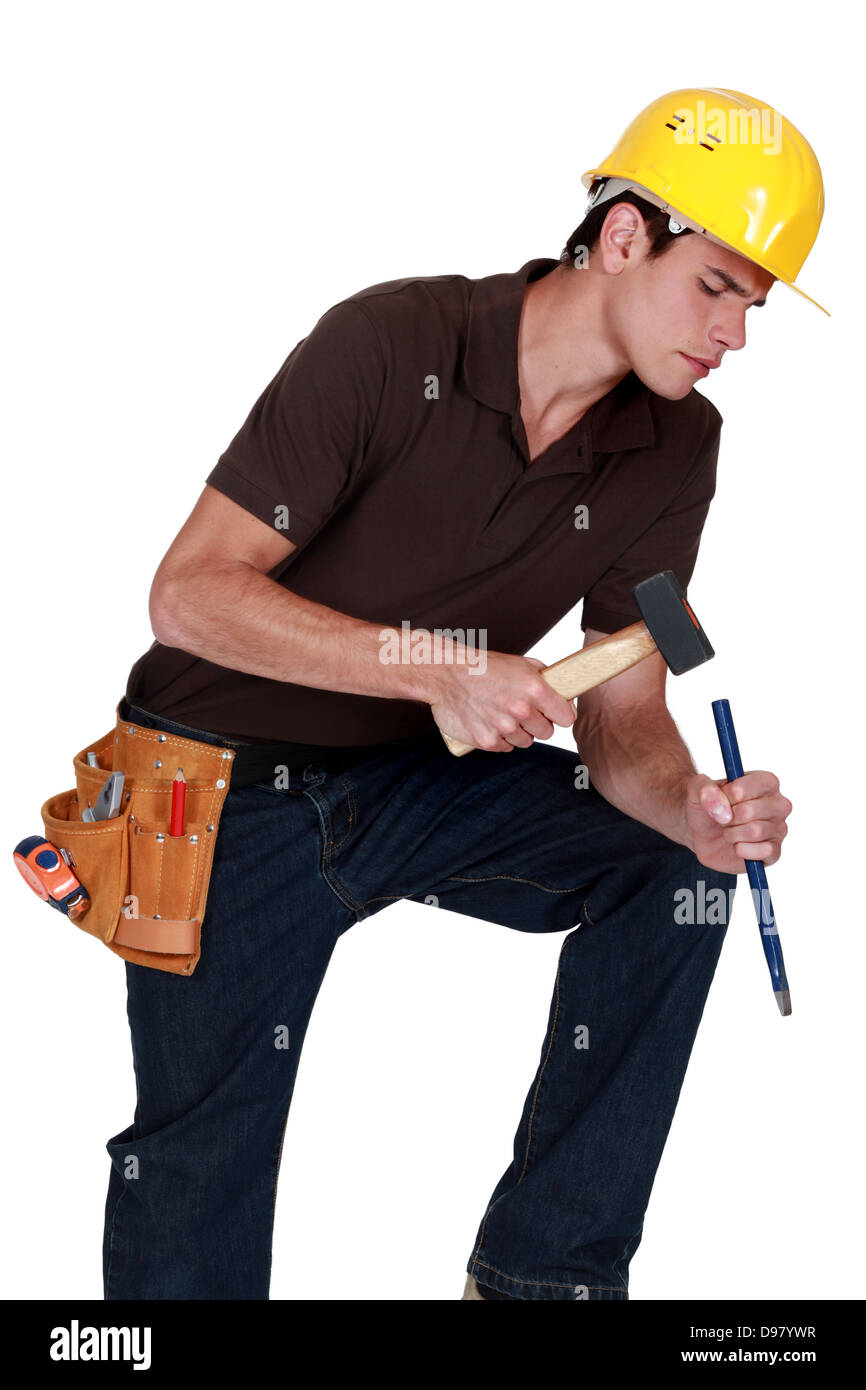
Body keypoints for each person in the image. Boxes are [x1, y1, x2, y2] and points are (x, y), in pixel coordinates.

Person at [103, 87, 824, 1300]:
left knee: (675, 871)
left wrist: (688, 807)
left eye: (754, 306)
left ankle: (541, 1281)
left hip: (410, 777)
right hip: (206, 781)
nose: (733, 336)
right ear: (621, 235)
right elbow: (188, 597)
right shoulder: (391, 344)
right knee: (196, 1157)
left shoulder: (677, 444)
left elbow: (622, 708)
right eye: (716, 285)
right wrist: (437, 663)